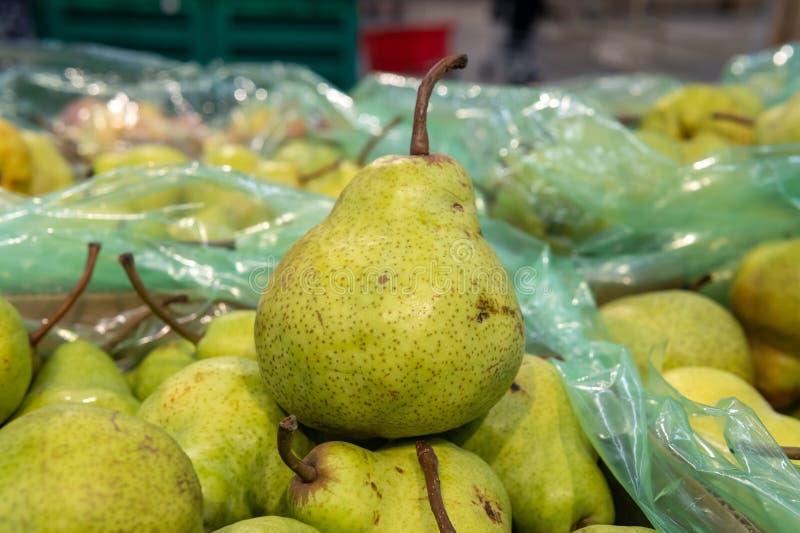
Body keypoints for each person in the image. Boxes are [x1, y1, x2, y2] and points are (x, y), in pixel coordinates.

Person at [493, 0, 546, 84]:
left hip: (525, 20)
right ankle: (517, 73)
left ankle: (521, 71)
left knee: (523, 43)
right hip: (514, 20)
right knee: (516, 46)